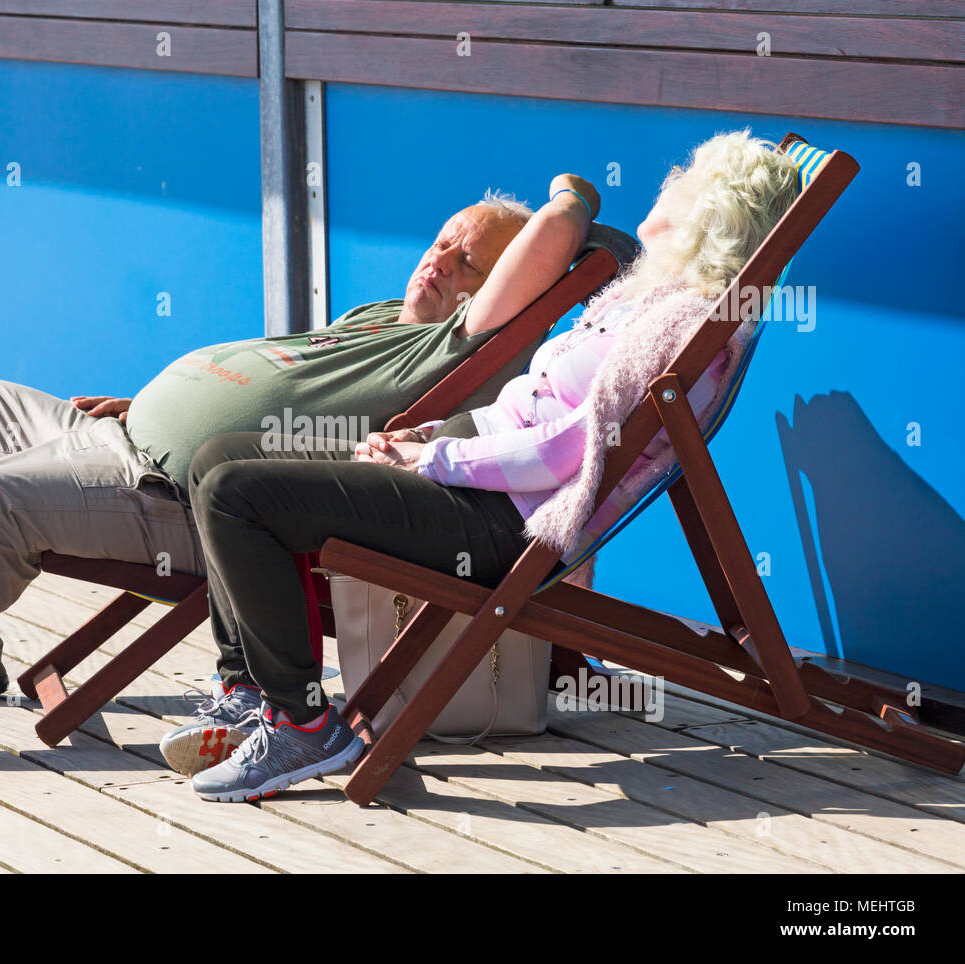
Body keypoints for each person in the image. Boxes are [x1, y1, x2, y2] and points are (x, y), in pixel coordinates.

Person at [0, 174, 602, 773]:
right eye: (441, 240)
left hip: (189, 501)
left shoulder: (458, 350)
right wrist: (150, 403)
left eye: (468, 259)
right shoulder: (376, 318)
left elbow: (568, 232)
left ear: (499, 291)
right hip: (127, 438)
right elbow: (271, 380)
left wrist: (575, 194)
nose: (439, 259)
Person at [168, 130, 800, 802]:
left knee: (237, 494)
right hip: (470, 470)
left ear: (710, 211)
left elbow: (565, 450)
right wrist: (426, 433)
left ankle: (301, 723)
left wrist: (433, 458)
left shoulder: (682, 329)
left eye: (688, 175)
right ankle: (248, 690)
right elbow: (529, 405)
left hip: (496, 518)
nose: (671, 176)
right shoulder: (646, 303)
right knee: (217, 457)